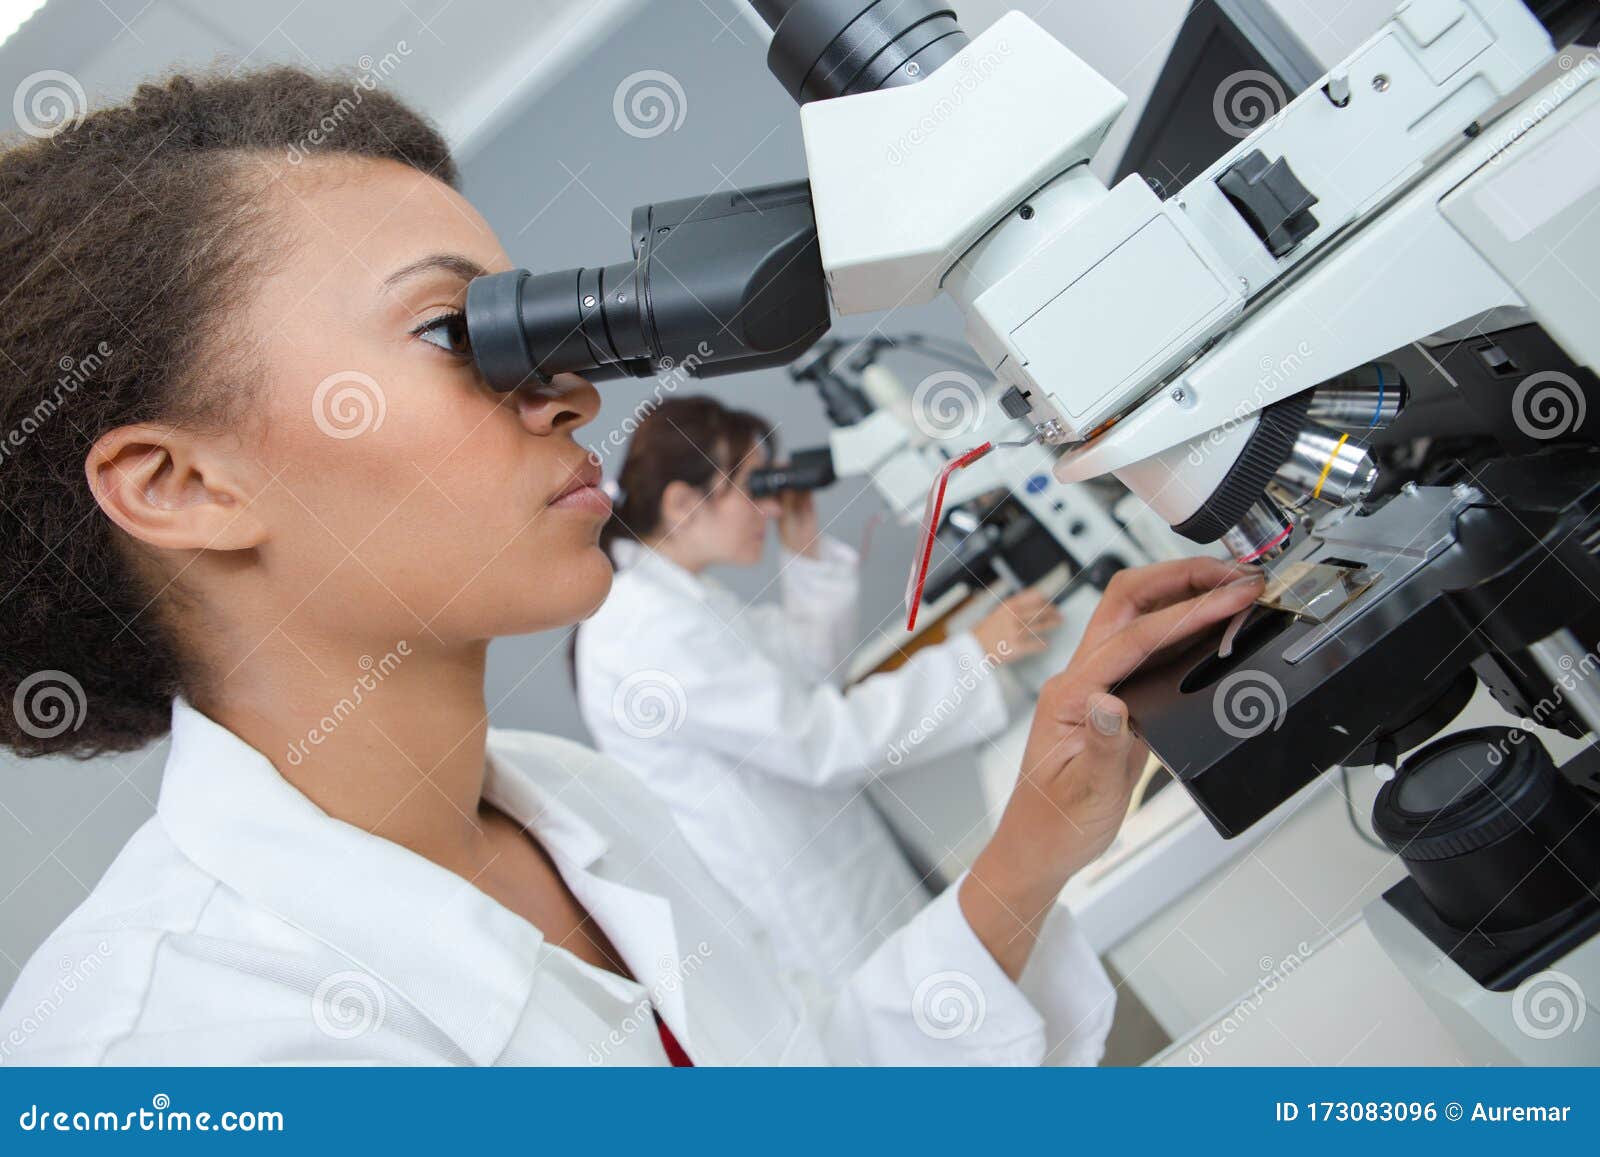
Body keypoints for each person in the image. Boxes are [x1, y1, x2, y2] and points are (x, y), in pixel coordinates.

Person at [0, 69, 1265, 1066]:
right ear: (181, 485)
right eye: (455, 328)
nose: (561, 385)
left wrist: (1041, 827)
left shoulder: (575, 806)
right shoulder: (167, 1055)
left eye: (524, 312)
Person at [576, 397, 1064, 984]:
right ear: (684, 503)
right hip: (812, 918)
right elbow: (820, 739)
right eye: (754, 486)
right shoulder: (646, 626)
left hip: (835, 872)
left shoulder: (681, 603)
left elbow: (803, 679)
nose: (770, 505)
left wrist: (804, 554)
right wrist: (974, 656)